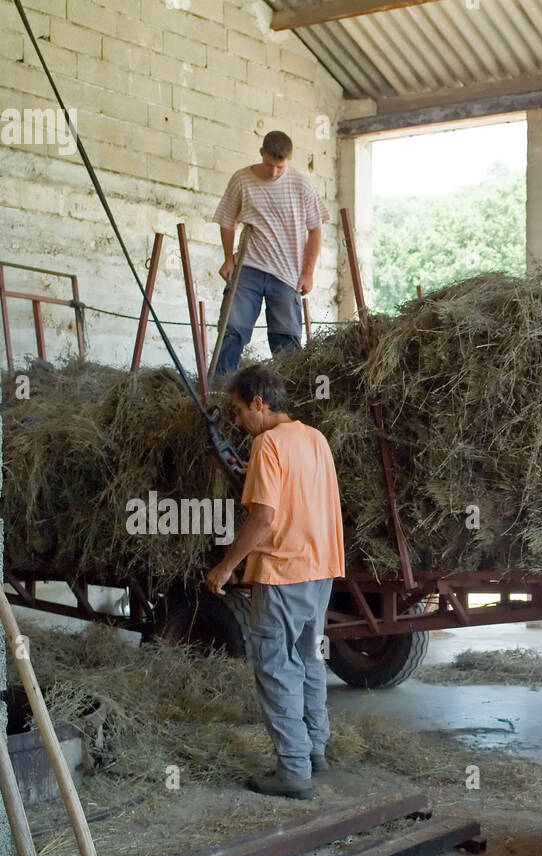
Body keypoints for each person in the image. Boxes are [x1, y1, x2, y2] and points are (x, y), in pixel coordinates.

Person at [205, 364, 345, 800]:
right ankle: (316, 751)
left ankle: (292, 770)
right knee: (307, 660)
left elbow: (263, 518)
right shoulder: (315, 438)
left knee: (275, 666)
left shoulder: (267, 445)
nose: (239, 421)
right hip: (320, 569)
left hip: (283, 572)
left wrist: (226, 566)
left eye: (239, 411)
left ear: (259, 404)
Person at [211, 130, 330, 380]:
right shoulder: (242, 180)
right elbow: (226, 220)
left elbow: (315, 229)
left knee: (286, 337)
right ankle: (221, 390)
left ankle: (288, 396)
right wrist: (228, 258)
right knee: (232, 329)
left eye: (280, 166)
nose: (274, 172)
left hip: (287, 273)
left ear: (289, 159)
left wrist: (308, 272)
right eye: (269, 164)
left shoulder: (301, 184)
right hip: (249, 267)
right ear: (261, 153)